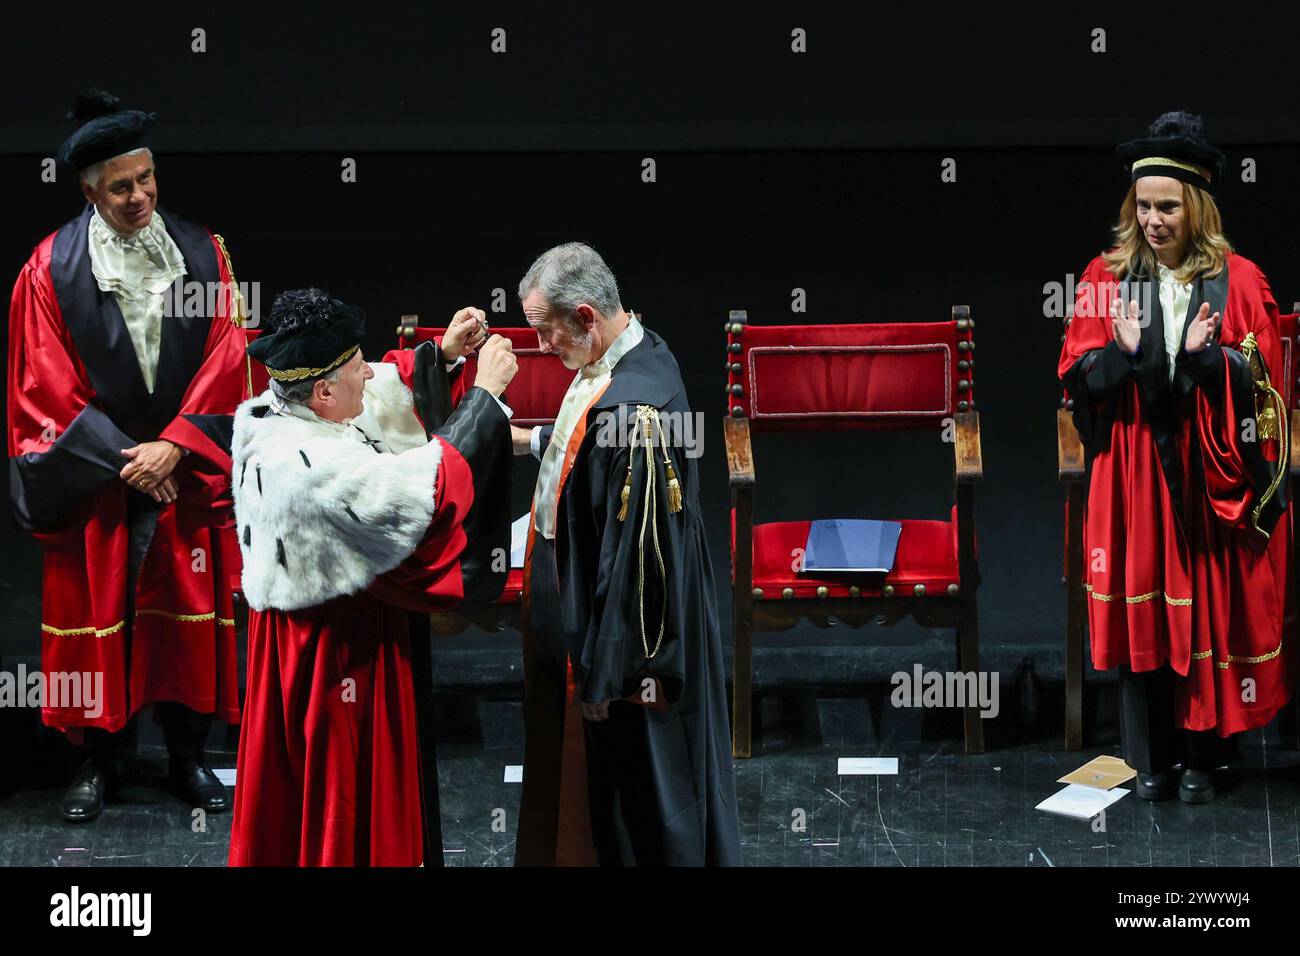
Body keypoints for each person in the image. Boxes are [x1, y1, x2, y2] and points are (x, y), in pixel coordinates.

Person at [6, 89, 248, 821]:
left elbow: (228, 355)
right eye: (121, 186)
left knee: (184, 611)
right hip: (99, 479)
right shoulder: (50, 269)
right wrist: (124, 457)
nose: (140, 195)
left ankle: (185, 756)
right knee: (98, 613)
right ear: (88, 190)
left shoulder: (204, 253)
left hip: (179, 468)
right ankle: (94, 760)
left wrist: (176, 445)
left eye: (146, 179)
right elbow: (40, 385)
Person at [226, 289, 515, 866]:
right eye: (357, 367)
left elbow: (386, 381)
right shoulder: (308, 469)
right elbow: (426, 499)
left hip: (305, 642)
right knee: (346, 798)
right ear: (325, 391)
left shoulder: (275, 412)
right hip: (338, 658)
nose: (373, 372)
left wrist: (445, 356)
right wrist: (484, 398)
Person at [1059, 111, 1293, 803]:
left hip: (1205, 473)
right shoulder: (1107, 277)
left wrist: (1207, 359)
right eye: (1144, 205)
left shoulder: (1240, 279)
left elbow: (1268, 386)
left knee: (1204, 616)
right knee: (1147, 614)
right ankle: (1149, 758)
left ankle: (1204, 758)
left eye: (1168, 206)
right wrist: (1123, 356)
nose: (1154, 220)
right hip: (1132, 471)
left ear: (1197, 207)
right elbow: (1076, 377)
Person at [508, 242, 740, 865]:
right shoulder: (634, 352)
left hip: (631, 641)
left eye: (545, 330)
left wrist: (610, 674)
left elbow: (635, 565)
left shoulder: (637, 411)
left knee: (635, 798)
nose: (540, 347)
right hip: (598, 606)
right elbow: (591, 456)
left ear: (585, 316)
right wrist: (531, 442)